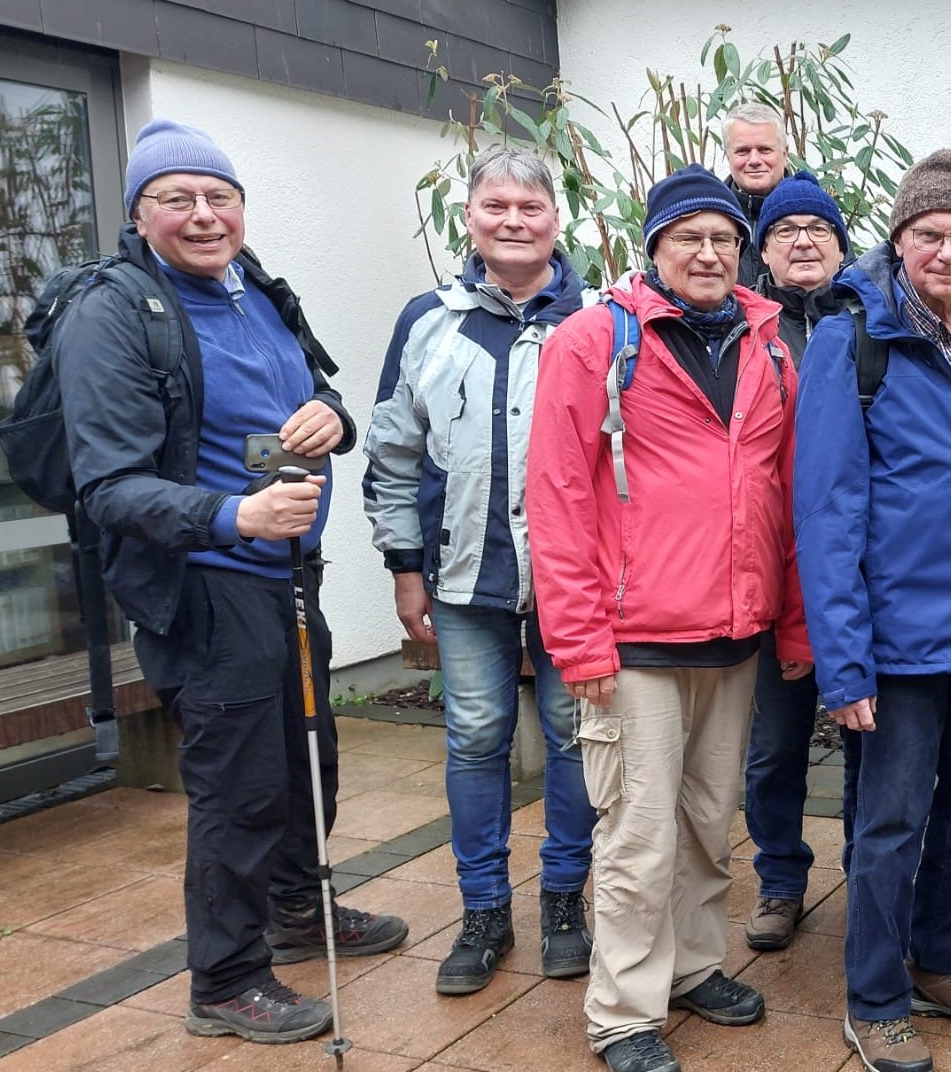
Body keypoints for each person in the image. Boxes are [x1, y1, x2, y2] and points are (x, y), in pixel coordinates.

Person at [55, 119, 406, 1044]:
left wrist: (332, 418)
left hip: (292, 579)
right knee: (241, 784)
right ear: (141, 213)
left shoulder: (258, 287)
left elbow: (318, 395)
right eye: (178, 198)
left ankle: (297, 909)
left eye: (220, 197)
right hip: (210, 588)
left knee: (305, 761)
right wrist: (232, 517)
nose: (204, 216)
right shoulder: (118, 311)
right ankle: (226, 980)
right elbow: (108, 485)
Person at [526, 164, 809, 1072]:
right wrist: (577, 640)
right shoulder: (592, 341)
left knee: (704, 820)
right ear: (653, 248)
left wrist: (793, 627)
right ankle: (622, 1012)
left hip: (733, 633)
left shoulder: (768, 346)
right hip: (631, 640)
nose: (708, 252)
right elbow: (560, 495)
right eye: (687, 236)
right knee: (638, 832)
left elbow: (789, 495)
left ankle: (693, 967)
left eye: (724, 237)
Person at [794, 148, 951, 1072]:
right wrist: (845, 661)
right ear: (900, 239)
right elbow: (826, 513)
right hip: (898, 639)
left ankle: (945, 961)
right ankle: (874, 997)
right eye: (930, 234)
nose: (948, 251)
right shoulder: (852, 340)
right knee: (892, 824)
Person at [362, 145, 600, 996]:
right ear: (469, 219)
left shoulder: (601, 320)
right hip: (463, 577)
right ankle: (484, 911)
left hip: (575, 582)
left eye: (529, 209)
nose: (512, 222)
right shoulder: (428, 320)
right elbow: (392, 453)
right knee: (473, 740)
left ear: (555, 219)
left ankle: (567, 900)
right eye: (494, 207)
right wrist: (403, 565)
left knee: (577, 740)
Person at [741, 168, 851, 952]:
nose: (803, 242)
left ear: (844, 248)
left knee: (868, 739)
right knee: (774, 746)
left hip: (853, 580)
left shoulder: (873, 320)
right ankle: (780, 878)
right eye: (785, 231)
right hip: (770, 575)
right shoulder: (746, 332)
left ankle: (871, 877)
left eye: (818, 230)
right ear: (764, 252)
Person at [723, 101, 793, 288]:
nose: (754, 160)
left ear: (785, 154)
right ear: (728, 156)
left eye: (765, 149)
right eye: (743, 151)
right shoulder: (709, 215)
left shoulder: (814, 214)